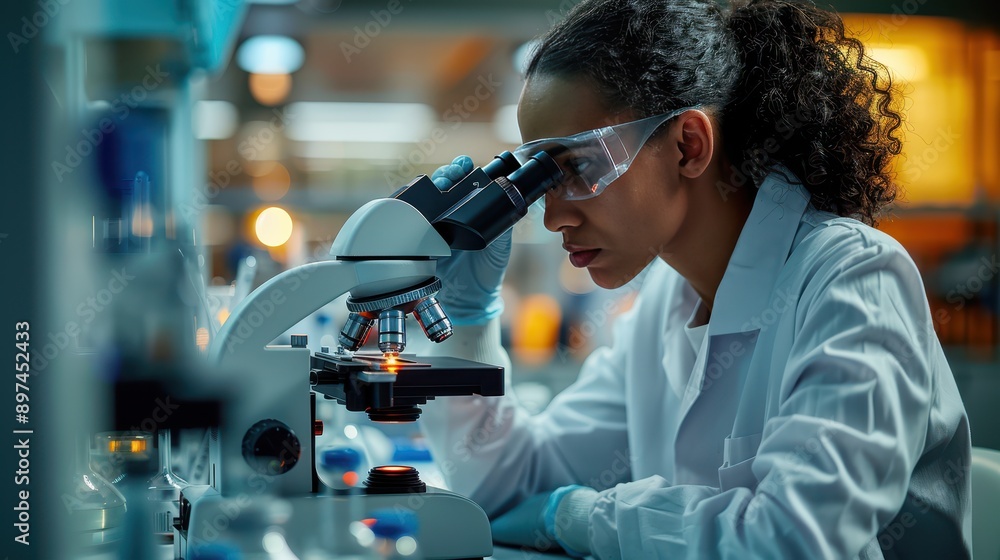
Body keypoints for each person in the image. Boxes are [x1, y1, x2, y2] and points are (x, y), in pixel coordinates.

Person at [418, 0, 972, 558]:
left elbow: (791, 541)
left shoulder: (854, 278)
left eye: (577, 167)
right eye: (539, 178)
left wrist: (586, 517)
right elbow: (509, 488)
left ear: (688, 146)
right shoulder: (666, 298)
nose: (554, 215)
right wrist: (469, 321)